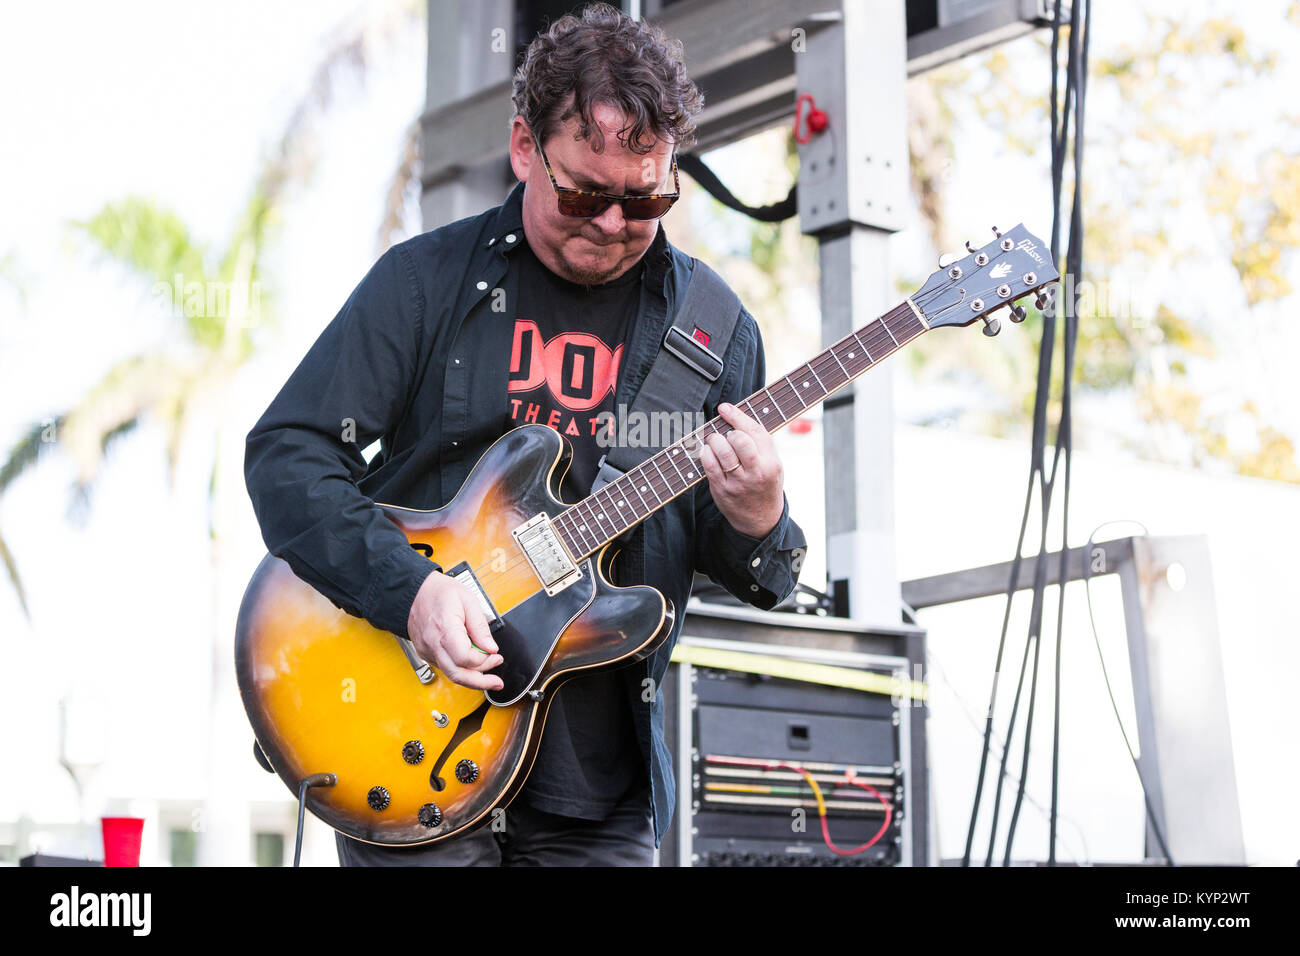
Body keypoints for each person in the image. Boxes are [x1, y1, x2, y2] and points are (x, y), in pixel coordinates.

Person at [243, 2, 807, 867]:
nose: (614, 222)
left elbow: (747, 573)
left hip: (600, 793)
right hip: (412, 749)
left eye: (644, 197)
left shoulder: (713, 327)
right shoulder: (425, 282)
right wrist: (412, 592)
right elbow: (287, 455)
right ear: (522, 148)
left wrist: (760, 516)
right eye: (585, 192)